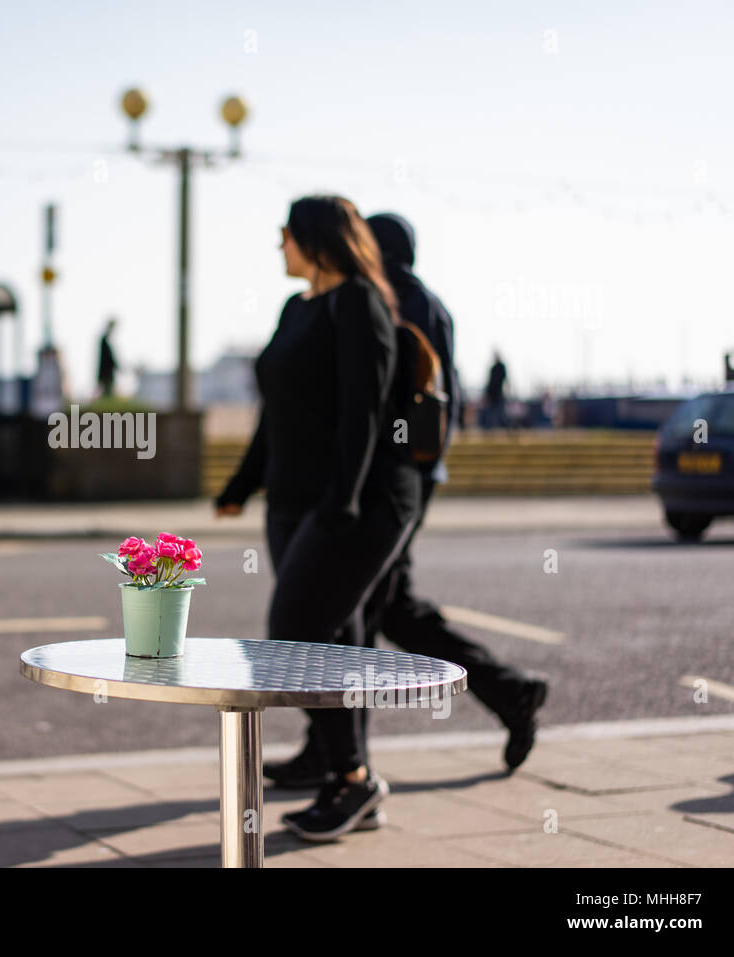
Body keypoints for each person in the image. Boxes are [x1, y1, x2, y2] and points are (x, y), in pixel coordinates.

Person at [263, 213, 549, 802]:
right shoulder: (399, 298)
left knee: (360, 615)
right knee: (374, 612)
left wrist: (394, 489)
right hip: (393, 483)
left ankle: (347, 762)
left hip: (393, 487)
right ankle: (339, 752)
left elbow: (408, 403)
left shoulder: (394, 301)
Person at [214, 196, 421, 841]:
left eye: (286, 235)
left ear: (316, 240)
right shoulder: (296, 308)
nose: (279, 244)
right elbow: (277, 414)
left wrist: (342, 504)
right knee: (337, 641)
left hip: (357, 504)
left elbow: (364, 412)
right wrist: (242, 484)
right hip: (293, 501)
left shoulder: (358, 303)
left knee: (296, 629)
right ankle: (349, 780)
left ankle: (354, 777)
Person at [483, 352, 508, 429]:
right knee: (491, 412)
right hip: (492, 394)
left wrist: (506, 391)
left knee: (501, 413)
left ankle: (507, 428)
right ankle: (489, 428)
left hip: (499, 394)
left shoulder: (501, 367)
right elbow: (490, 382)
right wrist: (487, 394)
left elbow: (505, 380)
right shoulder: (493, 368)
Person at [97, 318, 118, 397]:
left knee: (108, 392)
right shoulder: (104, 341)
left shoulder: (106, 341)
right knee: (107, 393)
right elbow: (107, 358)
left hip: (107, 373)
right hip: (106, 373)